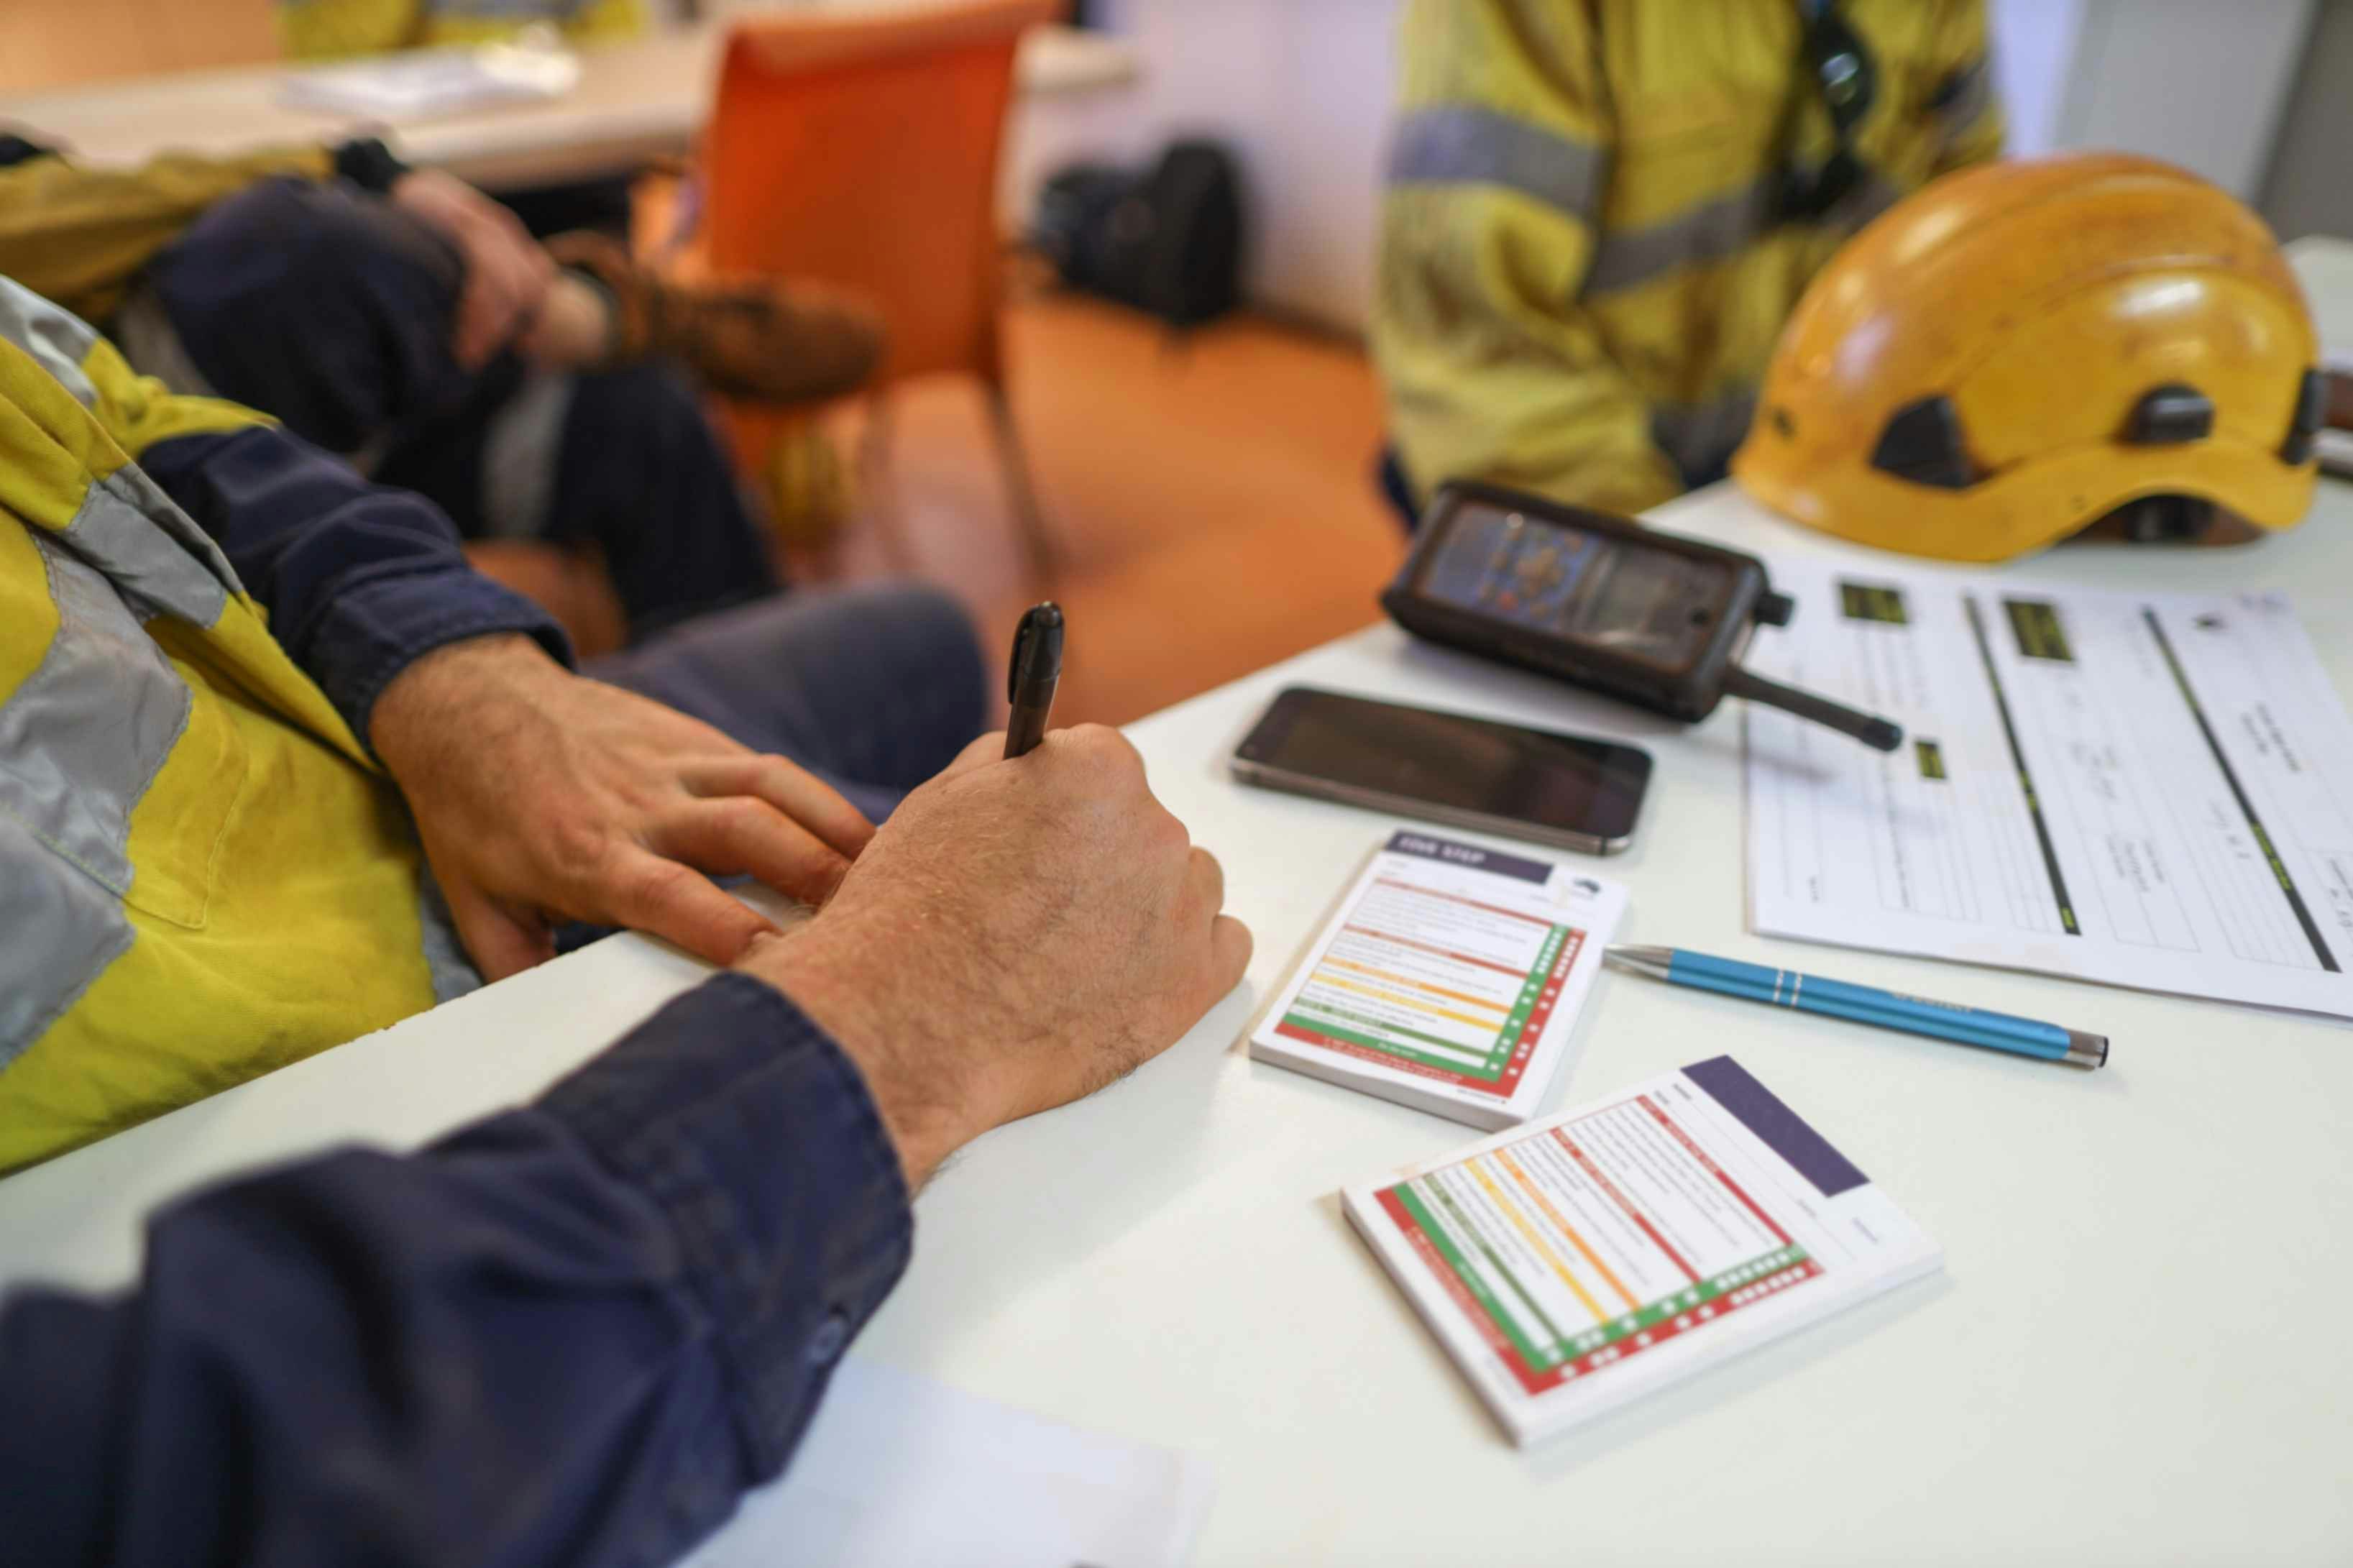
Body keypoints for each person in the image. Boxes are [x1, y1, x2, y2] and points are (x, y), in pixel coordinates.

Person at [0, 275, 954, 1173]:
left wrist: (449, 668)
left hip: (388, 735)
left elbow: (128, 419)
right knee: (978, 925)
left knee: (928, 639)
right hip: (417, 1024)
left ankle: (628, 314)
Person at [0, 131, 883, 641]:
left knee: (635, 414)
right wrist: (357, 168)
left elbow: (78, 191)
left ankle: (770, 766)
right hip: (121, 430)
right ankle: (622, 314)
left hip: (314, 443)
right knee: (295, 250)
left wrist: (382, 171)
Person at [1372, 0, 2004, 521]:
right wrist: (1652, 562)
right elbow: (1483, 340)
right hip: (1578, 475)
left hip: (1786, 475)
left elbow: (1970, 244)